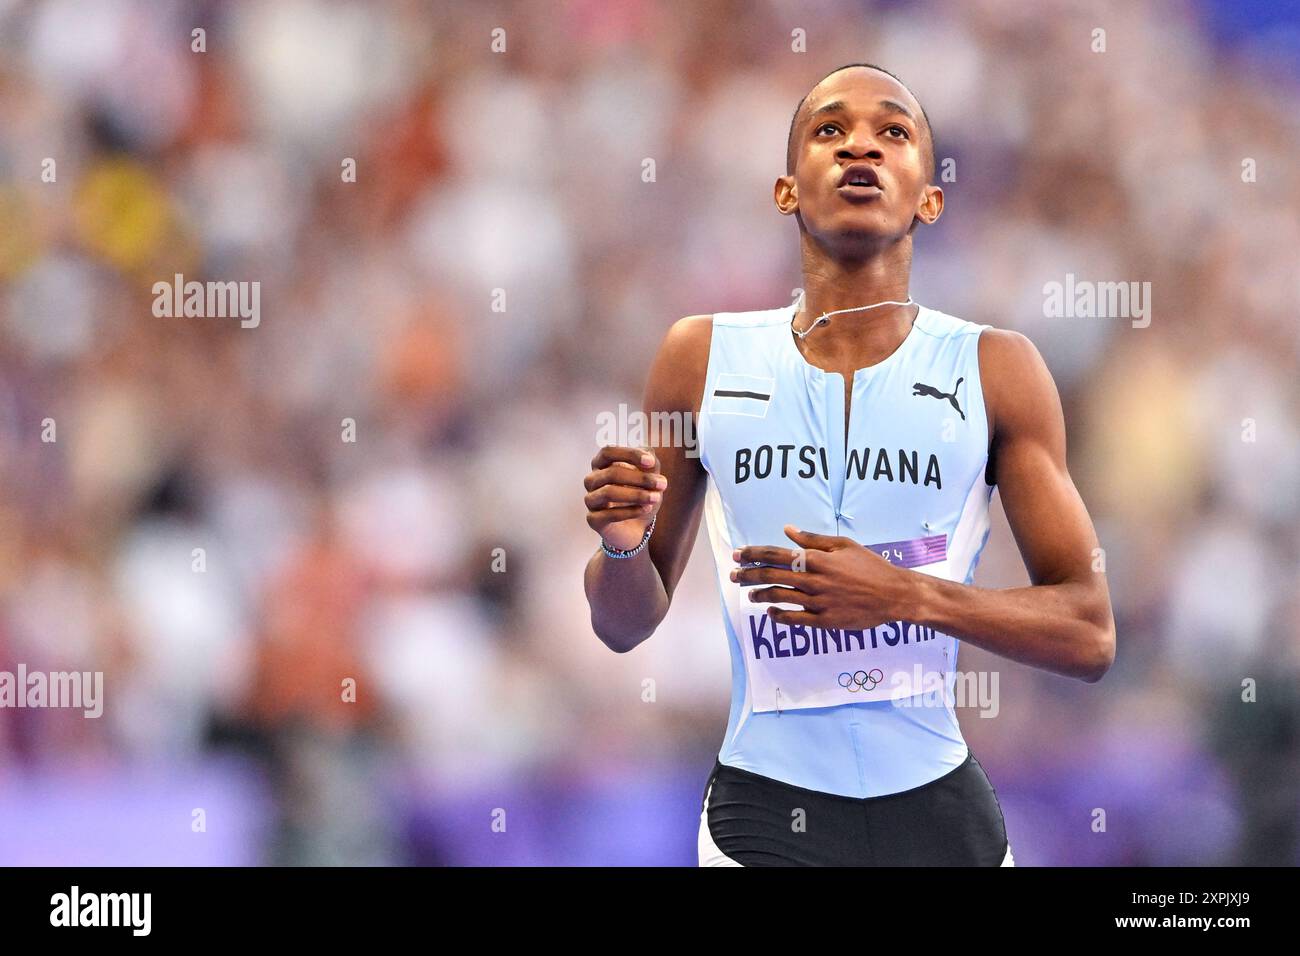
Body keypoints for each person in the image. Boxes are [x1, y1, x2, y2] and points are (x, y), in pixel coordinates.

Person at [581, 63, 1115, 866]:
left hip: (940, 820)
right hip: (761, 816)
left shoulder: (999, 369)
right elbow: (624, 625)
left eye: (892, 132)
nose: (859, 145)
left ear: (929, 199)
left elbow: (1090, 632)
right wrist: (622, 545)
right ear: (787, 190)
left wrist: (905, 595)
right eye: (828, 130)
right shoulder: (700, 356)